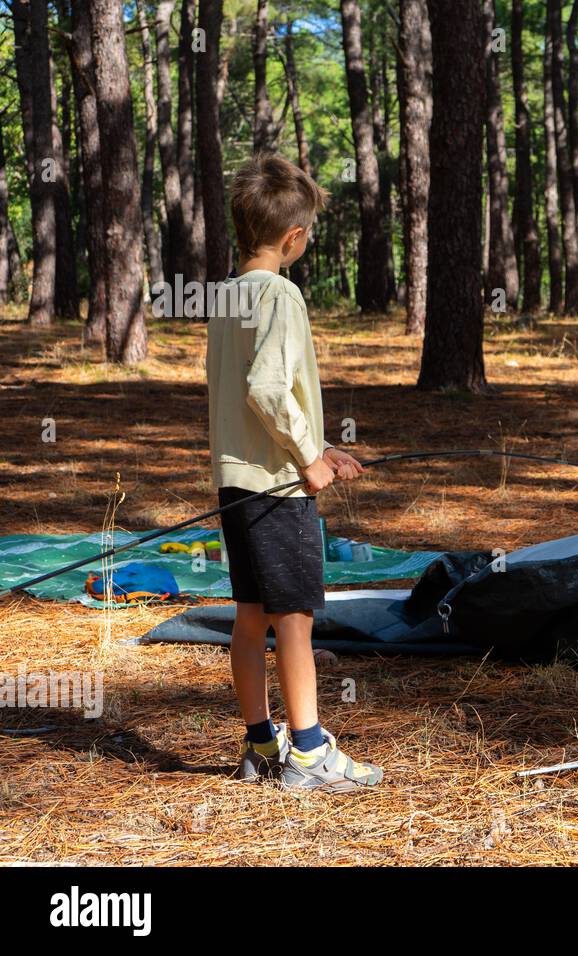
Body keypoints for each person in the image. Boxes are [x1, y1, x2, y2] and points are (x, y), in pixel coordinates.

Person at [207, 152, 380, 791]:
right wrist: (308, 458)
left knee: (251, 615)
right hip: (277, 487)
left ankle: (259, 743)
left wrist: (322, 445)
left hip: (236, 482)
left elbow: (258, 398)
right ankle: (307, 751)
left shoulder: (226, 297)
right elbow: (267, 389)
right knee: (296, 619)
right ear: (294, 237)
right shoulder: (281, 294)